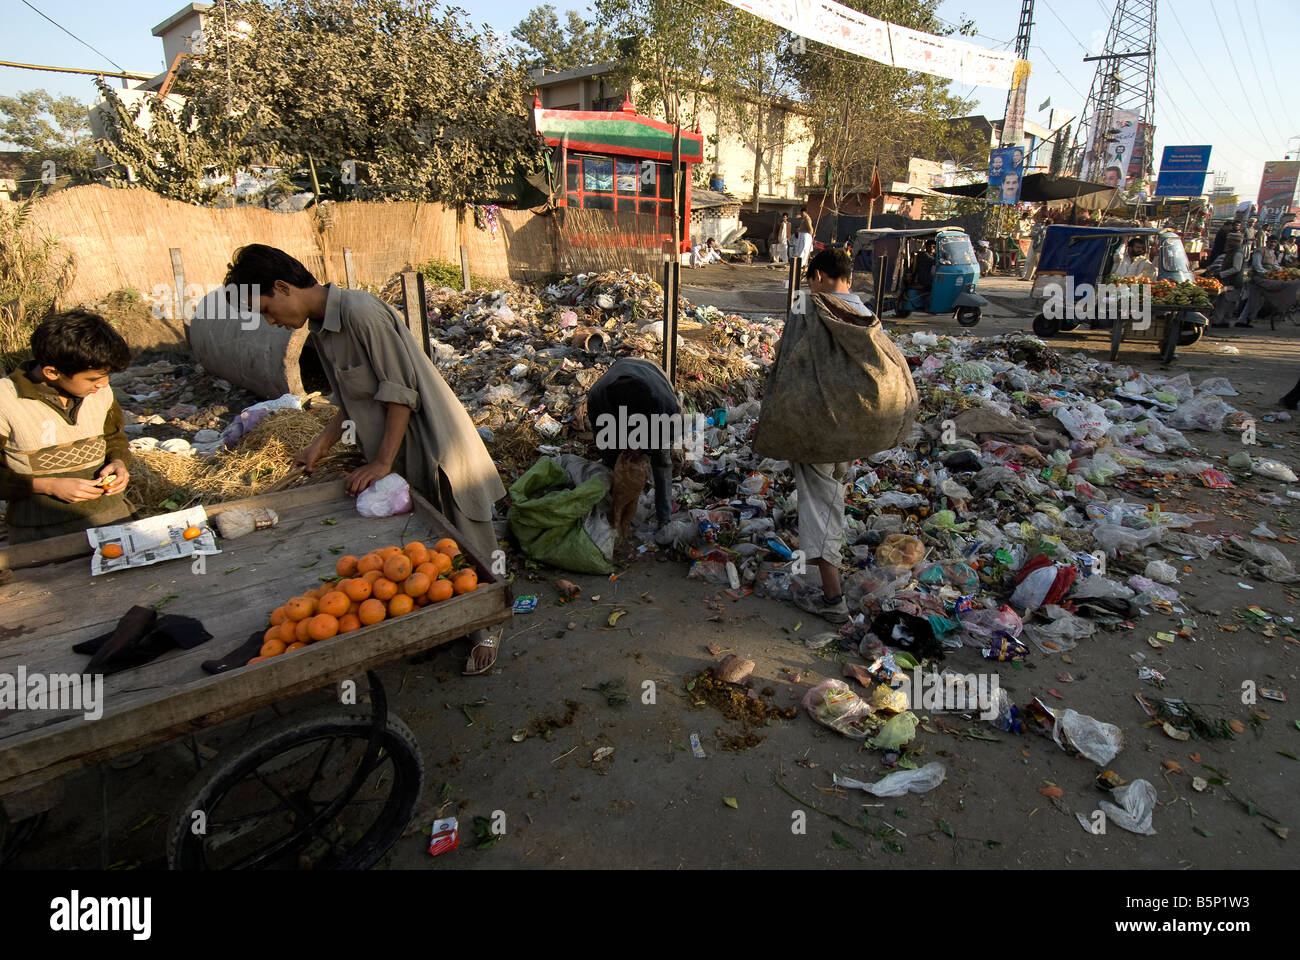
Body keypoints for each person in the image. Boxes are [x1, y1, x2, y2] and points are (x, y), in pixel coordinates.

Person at [223, 244, 507, 675]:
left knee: (465, 528)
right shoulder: (320, 329)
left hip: (432, 440)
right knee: (425, 542)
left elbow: (399, 392)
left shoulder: (359, 312)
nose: (269, 322)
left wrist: (380, 464)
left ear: (282, 287)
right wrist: (321, 444)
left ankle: (489, 623)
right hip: (394, 448)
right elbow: (350, 396)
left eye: (265, 309)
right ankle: (446, 615)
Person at [756, 248, 917, 624]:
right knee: (831, 494)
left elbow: (785, 357)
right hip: (854, 424)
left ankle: (832, 600)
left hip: (815, 426)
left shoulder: (809, 306)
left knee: (820, 505)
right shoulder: (862, 310)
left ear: (816, 277)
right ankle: (820, 575)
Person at [0, 310, 133, 545]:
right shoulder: (6, 401)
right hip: (41, 534)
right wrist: (47, 485)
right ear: (52, 372)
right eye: (93, 379)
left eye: (107, 376)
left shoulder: (99, 393)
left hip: (112, 517)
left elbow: (114, 438)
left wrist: (119, 462)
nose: (103, 385)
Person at [581, 357, 679, 528]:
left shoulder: (663, 402)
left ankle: (664, 516)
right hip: (620, 376)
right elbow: (603, 439)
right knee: (611, 458)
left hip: (652, 374)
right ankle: (613, 509)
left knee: (661, 460)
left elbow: (668, 432)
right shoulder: (599, 397)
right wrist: (619, 446)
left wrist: (645, 444)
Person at [1236, 236, 1279, 328]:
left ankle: (1246, 319)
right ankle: (1242, 320)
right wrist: (1267, 274)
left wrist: (1282, 271)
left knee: (1258, 302)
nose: (1273, 244)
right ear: (1267, 242)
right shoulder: (1260, 251)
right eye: (1271, 242)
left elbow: (1275, 265)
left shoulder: (1273, 253)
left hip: (1266, 280)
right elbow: (1257, 266)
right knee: (1253, 301)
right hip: (1257, 278)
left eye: (1275, 242)